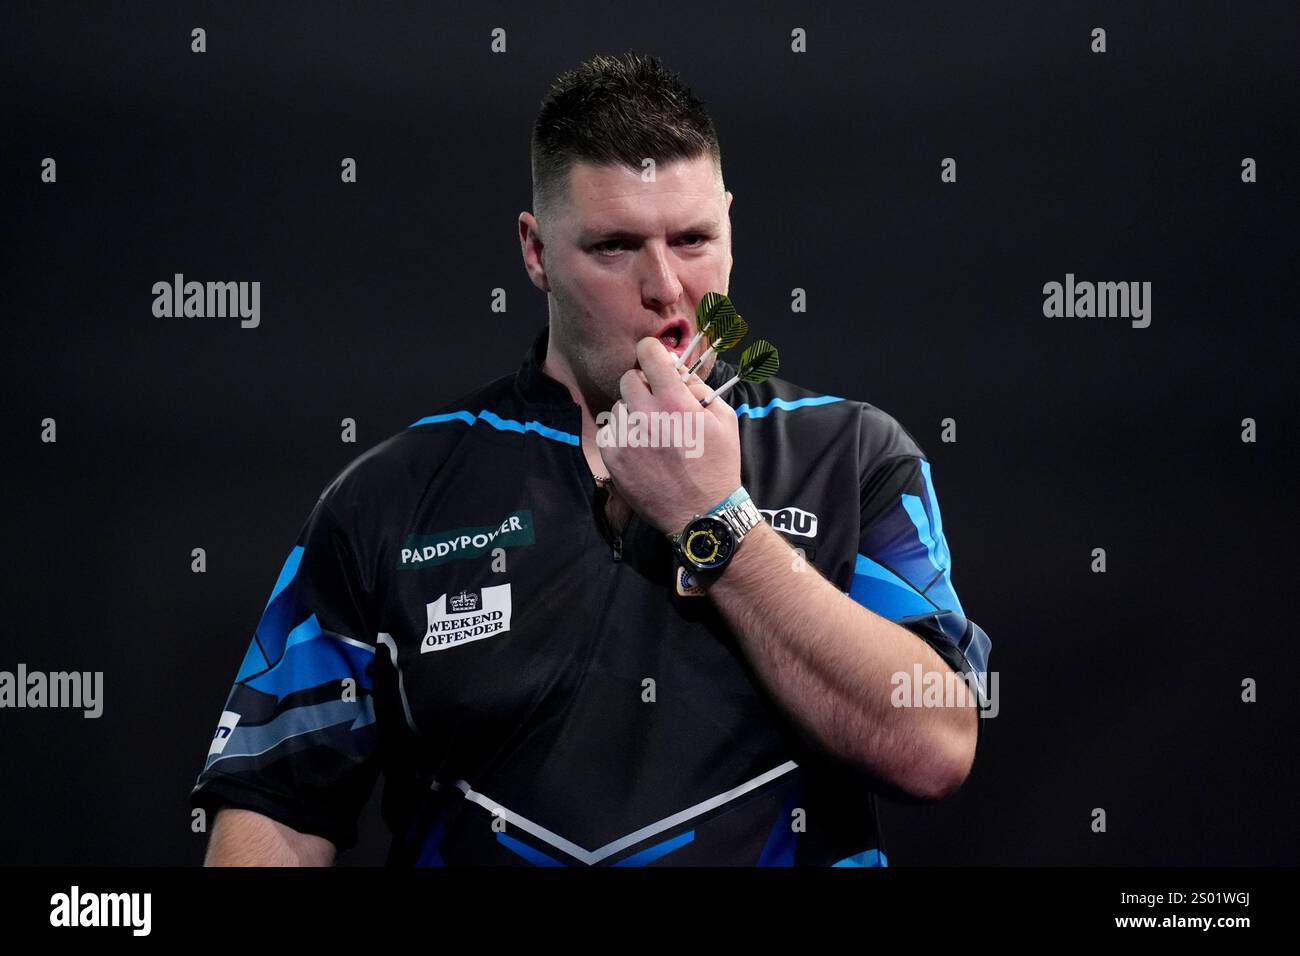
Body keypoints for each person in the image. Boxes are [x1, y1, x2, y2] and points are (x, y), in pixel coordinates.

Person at [190, 51, 991, 867]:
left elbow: (934, 747)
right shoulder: (389, 497)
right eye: (613, 247)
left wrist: (715, 521)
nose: (667, 287)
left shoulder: (848, 454)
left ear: (731, 230)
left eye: (692, 239)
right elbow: (276, 810)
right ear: (536, 253)